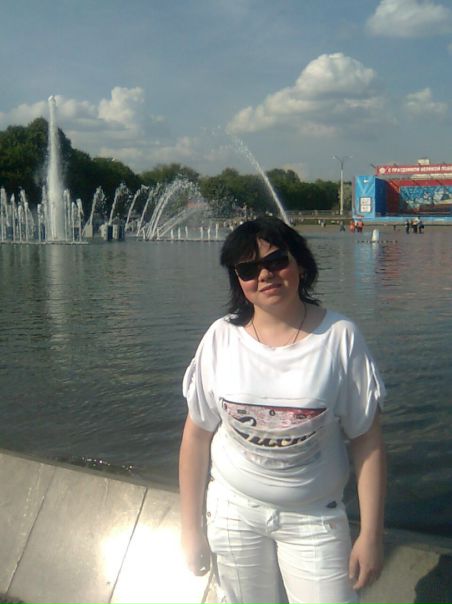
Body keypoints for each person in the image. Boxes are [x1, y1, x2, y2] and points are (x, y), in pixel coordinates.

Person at [179, 216, 386, 604]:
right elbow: (196, 435)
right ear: (238, 281)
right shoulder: (221, 338)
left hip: (315, 517)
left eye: (276, 261)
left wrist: (371, 534)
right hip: (233, 511)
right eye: (248, 269)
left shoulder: (339, 338)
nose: (265, 275)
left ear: (300, 264)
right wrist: (190, 529)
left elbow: (367, 441)